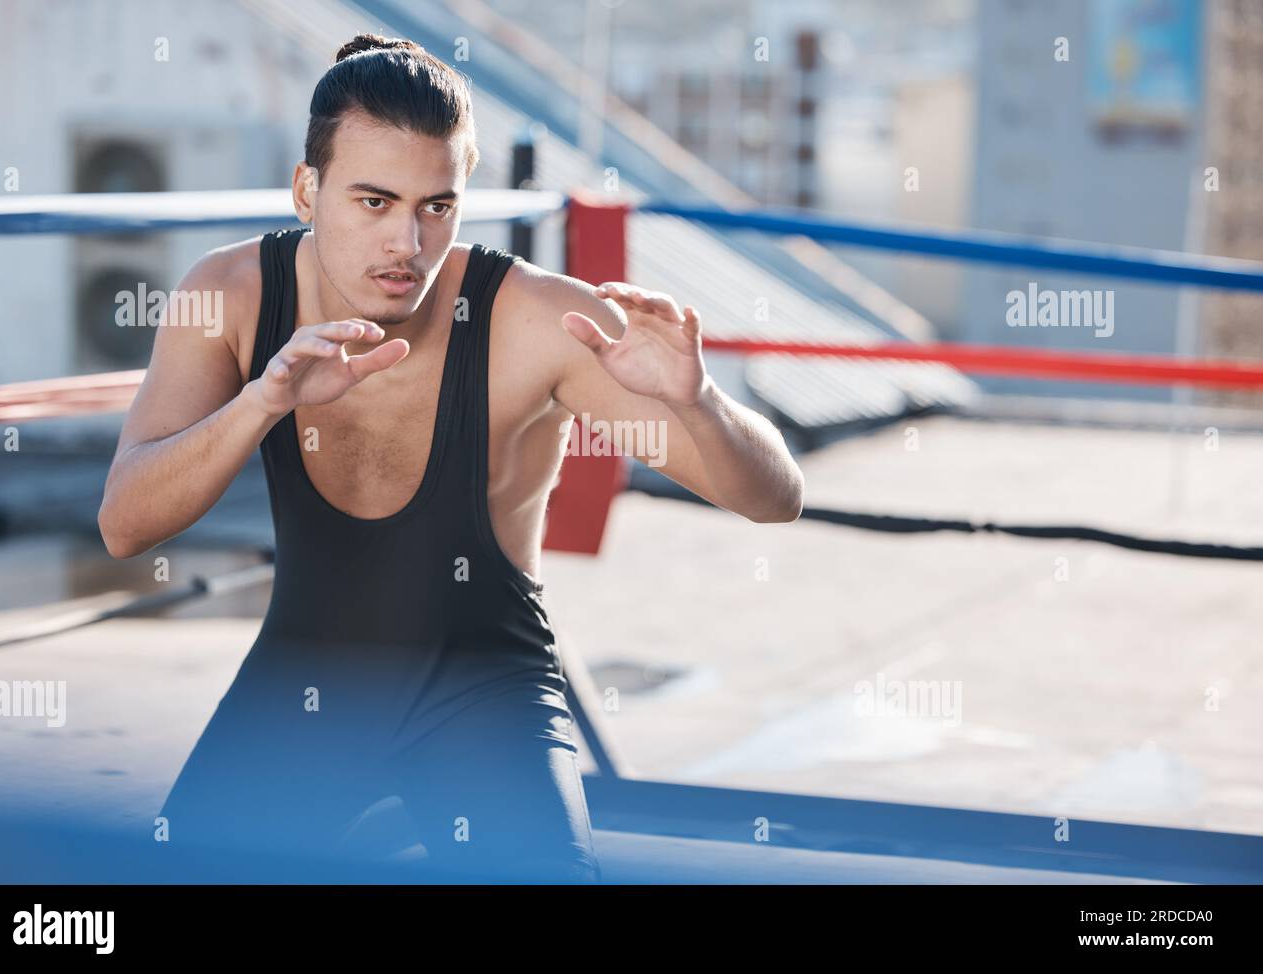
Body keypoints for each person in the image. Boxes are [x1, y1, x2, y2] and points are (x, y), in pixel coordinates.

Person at [98, 33, 804, 884]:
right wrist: (263, 401)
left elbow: (776, 499)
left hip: (486, 695)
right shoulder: (231, 294)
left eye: (438, 205)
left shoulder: (541, 321)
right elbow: (125, 526)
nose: (407, 243)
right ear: (305, 190)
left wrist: (699, 401)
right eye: (373, 202)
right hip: (304, 683)